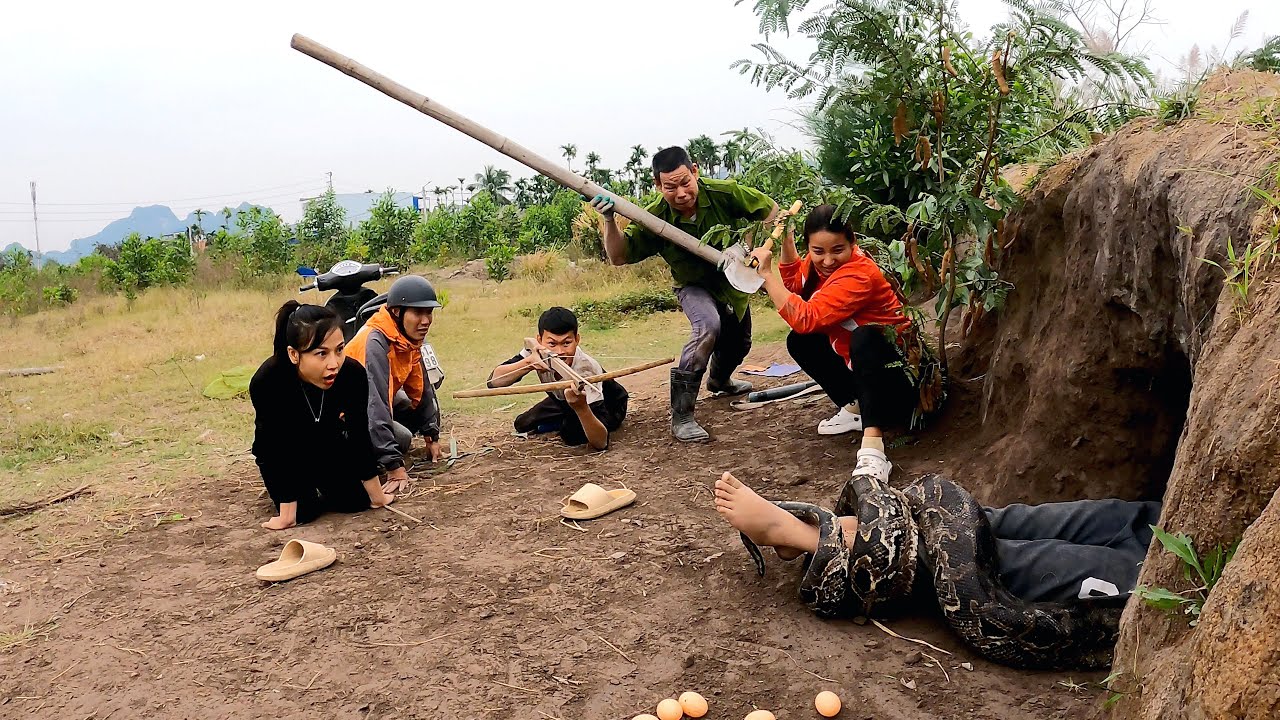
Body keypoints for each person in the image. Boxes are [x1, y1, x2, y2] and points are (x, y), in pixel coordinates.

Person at [714, 470, 1160, 614]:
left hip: (1167, 582)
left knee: (1013, 566)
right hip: (1159, 524)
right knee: (1013, 522)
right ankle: (861, 527)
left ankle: (822, 538)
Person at [591, 146, 777, 443]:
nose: (680, 193)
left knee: (739, 343)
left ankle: (719, 380)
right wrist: (609, 220)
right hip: (692, 286)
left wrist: (754, 245)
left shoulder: (725, 193)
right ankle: (682, 415)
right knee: (707, 328)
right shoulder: (654, 218)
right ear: (657, 185)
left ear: (695, 171)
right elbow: (618, 257)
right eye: (670, 187)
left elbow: (772, 211)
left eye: (685, 182)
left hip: (733, 283)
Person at [748, 204, 919, 481]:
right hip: (867, 375)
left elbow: (806, 316)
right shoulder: (821, 266)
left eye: (837, 250)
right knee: (800, 341)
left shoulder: (859, 274)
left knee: (866, 337)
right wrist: (787, 238)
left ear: (853, 243)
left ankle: (874, 448)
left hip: (900, 383)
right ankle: (856, 408)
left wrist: (766, 277)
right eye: (818, 251)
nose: (827, 260)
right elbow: (795, 285)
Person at [249, 301, 395, 530]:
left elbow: (359, 434)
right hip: (284, 455)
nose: (334, 363)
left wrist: (377, 496)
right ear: (294, 354)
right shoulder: (268, 381)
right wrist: (287, 513)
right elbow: (275, 447)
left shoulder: (353, 375)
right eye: (321, 354)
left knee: (356, 503)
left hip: (329, 445)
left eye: (339, 350)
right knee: (305, 513)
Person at [346, 275, 444, 494]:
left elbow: (422, 387)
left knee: (405, 403)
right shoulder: (375, 342)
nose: (426, 320)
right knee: (402, 438)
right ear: (398, 313)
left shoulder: (407, 338)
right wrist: (394, 465)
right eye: (418, 313)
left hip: (380, 397)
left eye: (429, 312)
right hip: (347, 414)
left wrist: (432, 436)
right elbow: (375, 403)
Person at [486, 307, 628, 451]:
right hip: (563, 400)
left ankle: (568, 419)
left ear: (577, 339)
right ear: (540, 340)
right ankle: (566, 416)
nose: (559, 352)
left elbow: (601, 442)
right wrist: (528, 363)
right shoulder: (536, 352)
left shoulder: (587, 370)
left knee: (571, 435)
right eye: (552, 344)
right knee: (522, 423)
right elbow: (494, 382)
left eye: (566, 343)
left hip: (608, 404)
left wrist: (581, 407)